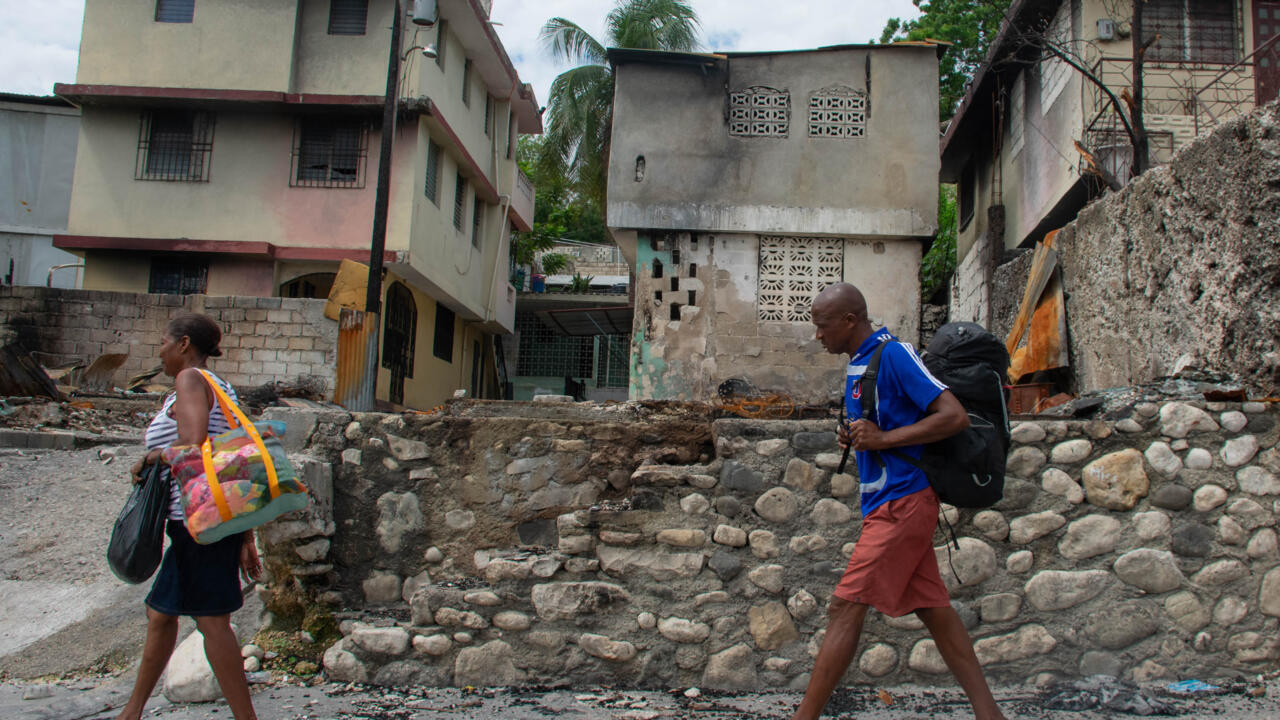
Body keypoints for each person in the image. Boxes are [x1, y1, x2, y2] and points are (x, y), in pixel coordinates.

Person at [793, 283, 1005, 720]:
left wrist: (884, 438)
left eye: (822, 326)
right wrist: (857, 436)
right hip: (883, 504)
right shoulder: (860, 362)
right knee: (936, 613)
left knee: (845, 605)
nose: (818, 336)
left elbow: (953, 416)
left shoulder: (894, 354)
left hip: (903, 503)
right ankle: (991, 715)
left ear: (850, 321)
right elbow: (879, 430)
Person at [118, 313, 261, 720]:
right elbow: (231, 456)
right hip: (204, 522)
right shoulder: (220, 386)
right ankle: (131, 711)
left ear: (182, 344)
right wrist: (246, 537)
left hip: (200, 522)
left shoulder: (189, 380)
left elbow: (194, 443)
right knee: (161, 614)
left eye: (163, 342)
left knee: (212, 621)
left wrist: (151, 456)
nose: (159, 351)